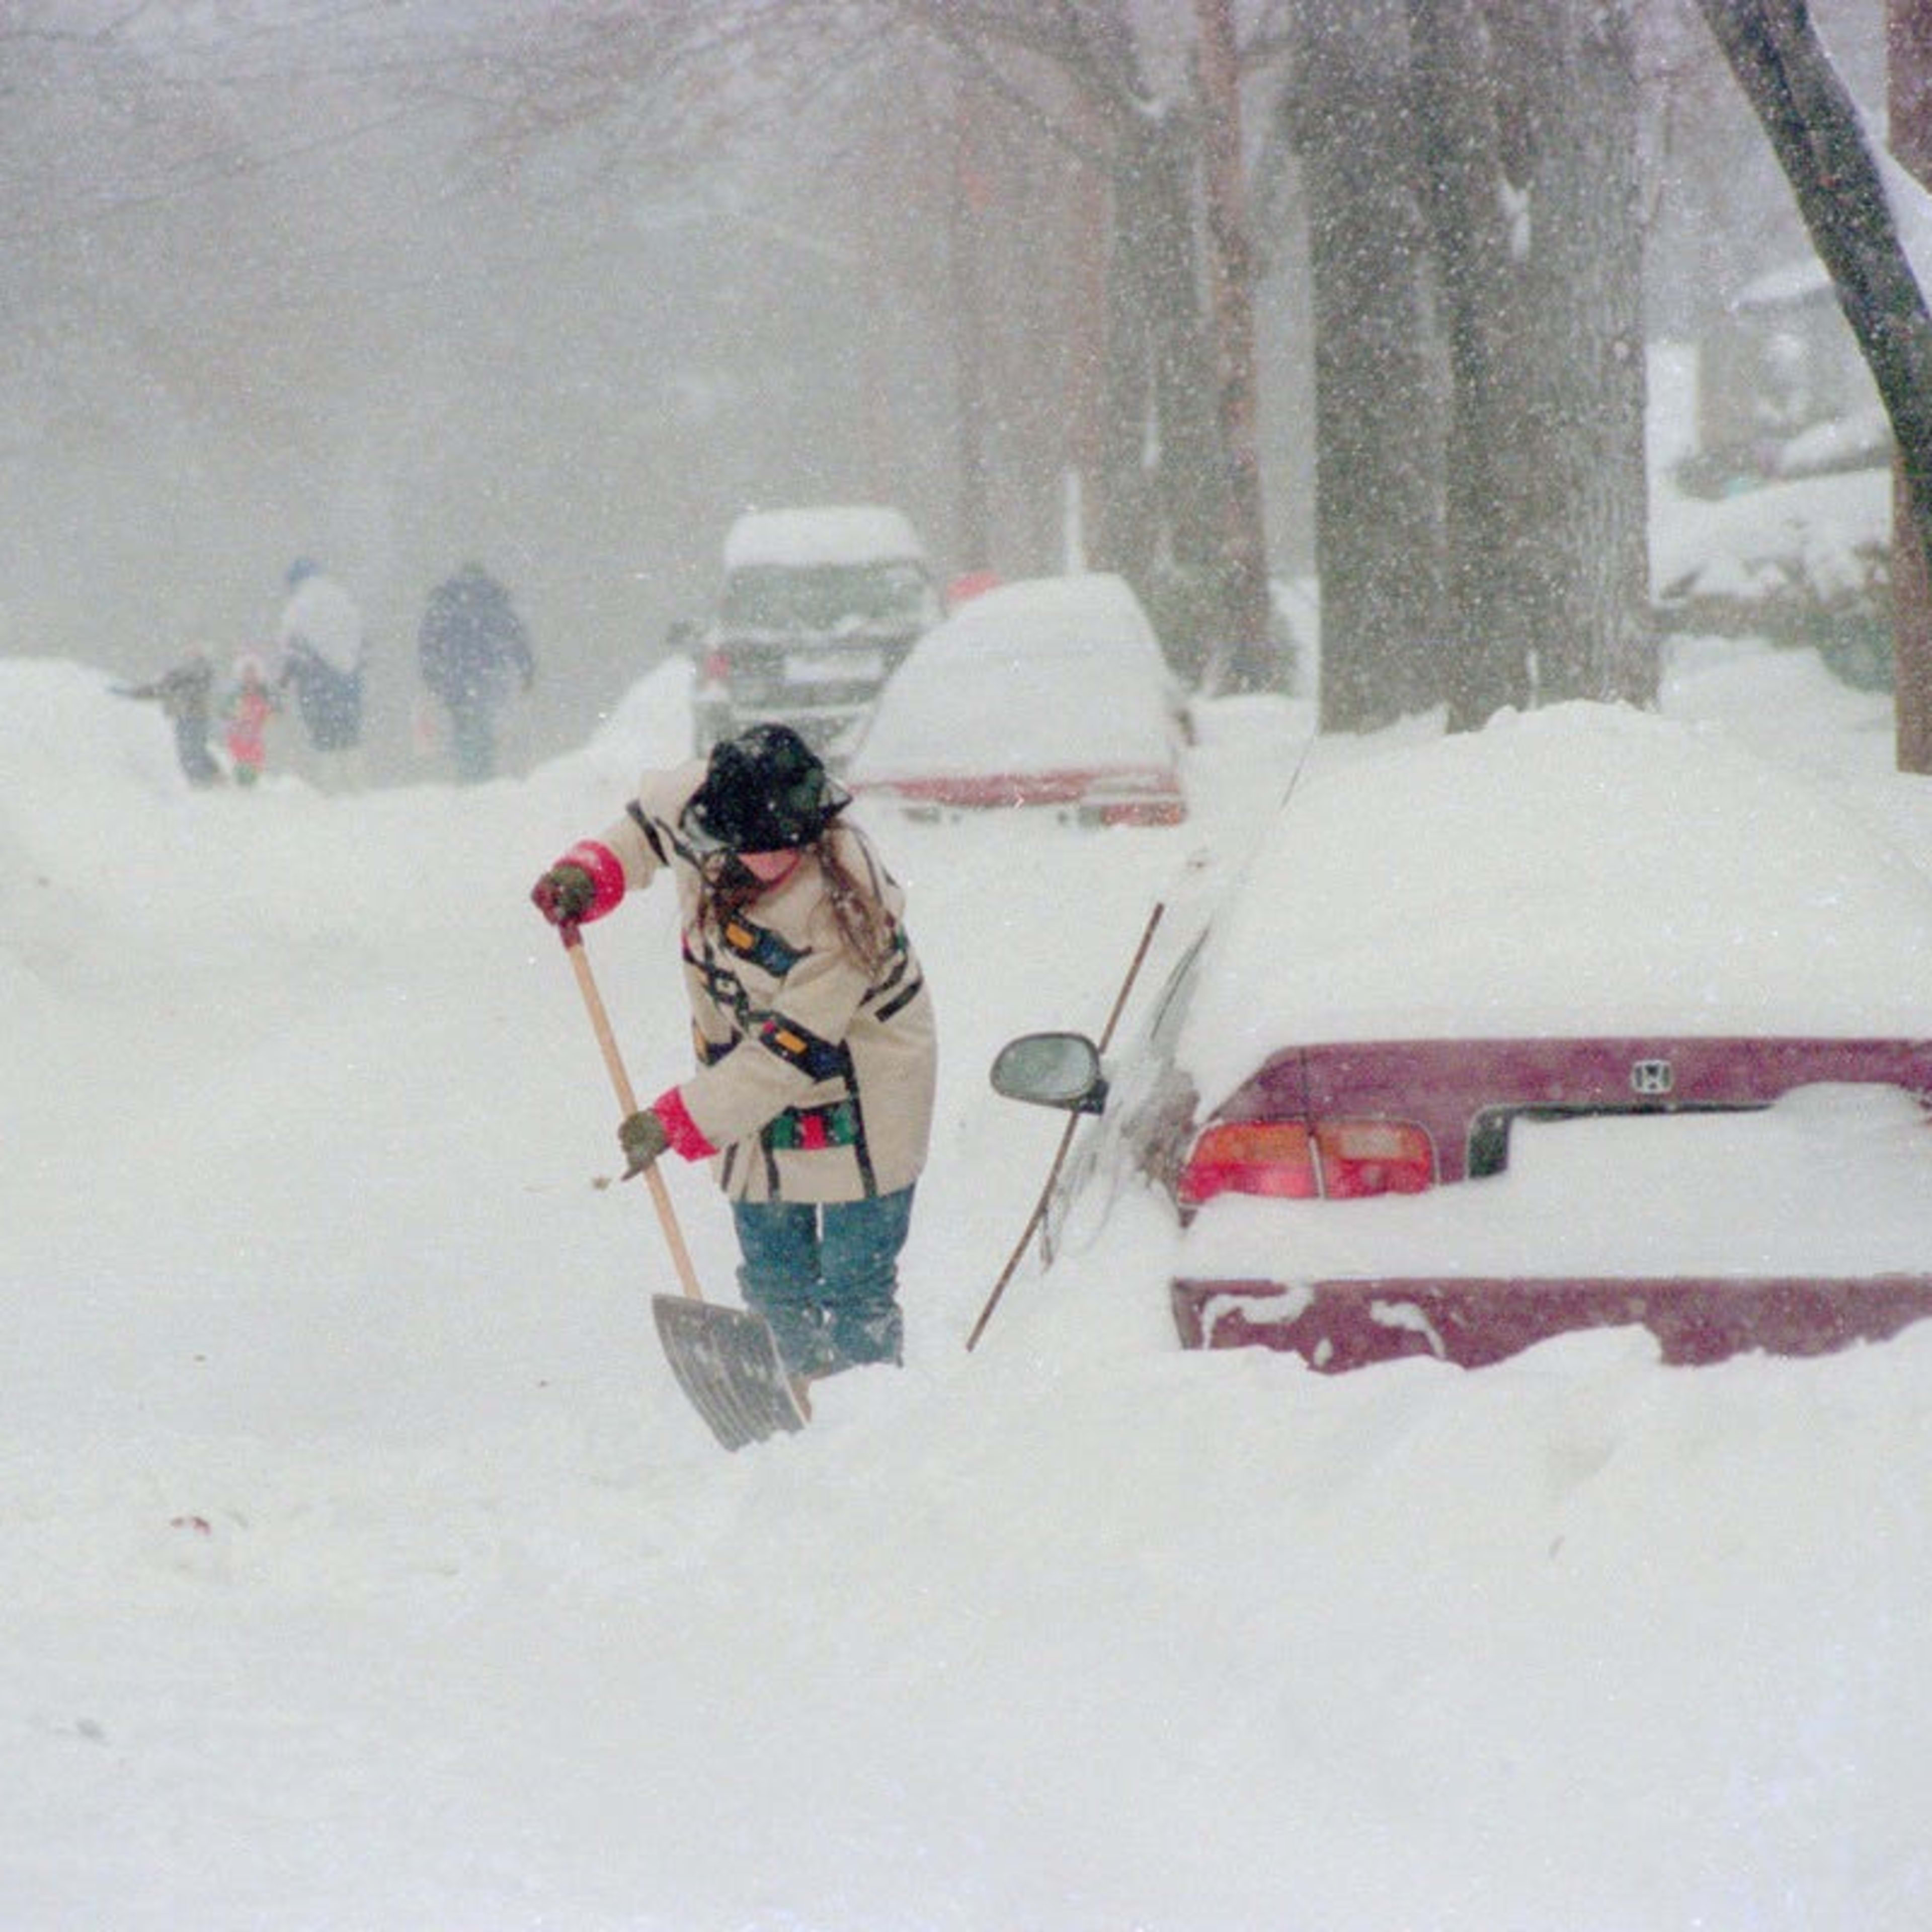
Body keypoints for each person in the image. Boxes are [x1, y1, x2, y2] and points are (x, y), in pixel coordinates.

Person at [530, 722, 937, 1384]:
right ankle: (793, 1393)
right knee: (775, 1272)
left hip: (864, 1079)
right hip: (743, 1071)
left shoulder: (848, 902)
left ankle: (866, 1415)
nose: (776, 862)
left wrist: (677, 1120)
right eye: (757, 849)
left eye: (790, 846)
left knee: (856, 1280)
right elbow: (642, 834)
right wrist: (590, 875)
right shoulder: (698, 808)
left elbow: (789, 1052)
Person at [417, 561, 535, 783]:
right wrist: (526, 672)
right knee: (484, 720)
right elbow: (517, 639)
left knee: (462, 722)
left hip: (454, 676)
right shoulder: (496, 602)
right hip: (490, 673)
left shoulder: (445, 604)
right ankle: (482, 770)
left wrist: (431, 676)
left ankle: (468, 771)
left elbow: (429, 643)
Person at [274, 558, 365, 787]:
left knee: (324, 733)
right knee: (350, 730)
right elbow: (361, 639)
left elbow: (291, 648)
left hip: (315, 681)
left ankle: (330, 783)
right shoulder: (342, 600)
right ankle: (356, 781)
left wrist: (283, 682)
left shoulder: (299, 607)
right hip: (349, 678)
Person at [113, 646, 221, 787]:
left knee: (191, 749)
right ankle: (211, 777)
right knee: (192, 748)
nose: (192, 660)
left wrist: (172, 691)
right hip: (183, 715)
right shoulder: (178, 675)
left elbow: (168, 689)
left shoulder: (202, 674)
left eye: (197, 656)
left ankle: (202, 780)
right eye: (190, 655)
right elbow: (158, 689)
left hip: (195, 716)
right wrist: (134, 693)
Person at [223, 653, 277, 786]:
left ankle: (251, 780)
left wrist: (269, 713)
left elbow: (274, 708)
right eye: (247, 672)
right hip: (237, 730)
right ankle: (241, 780)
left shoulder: (264, 690)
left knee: (254, 756)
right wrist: (234, 713)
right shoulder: (235, 691)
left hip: (255, 730)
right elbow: (224, 709)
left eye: (252, 672)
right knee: (240, 755)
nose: (250, 676)